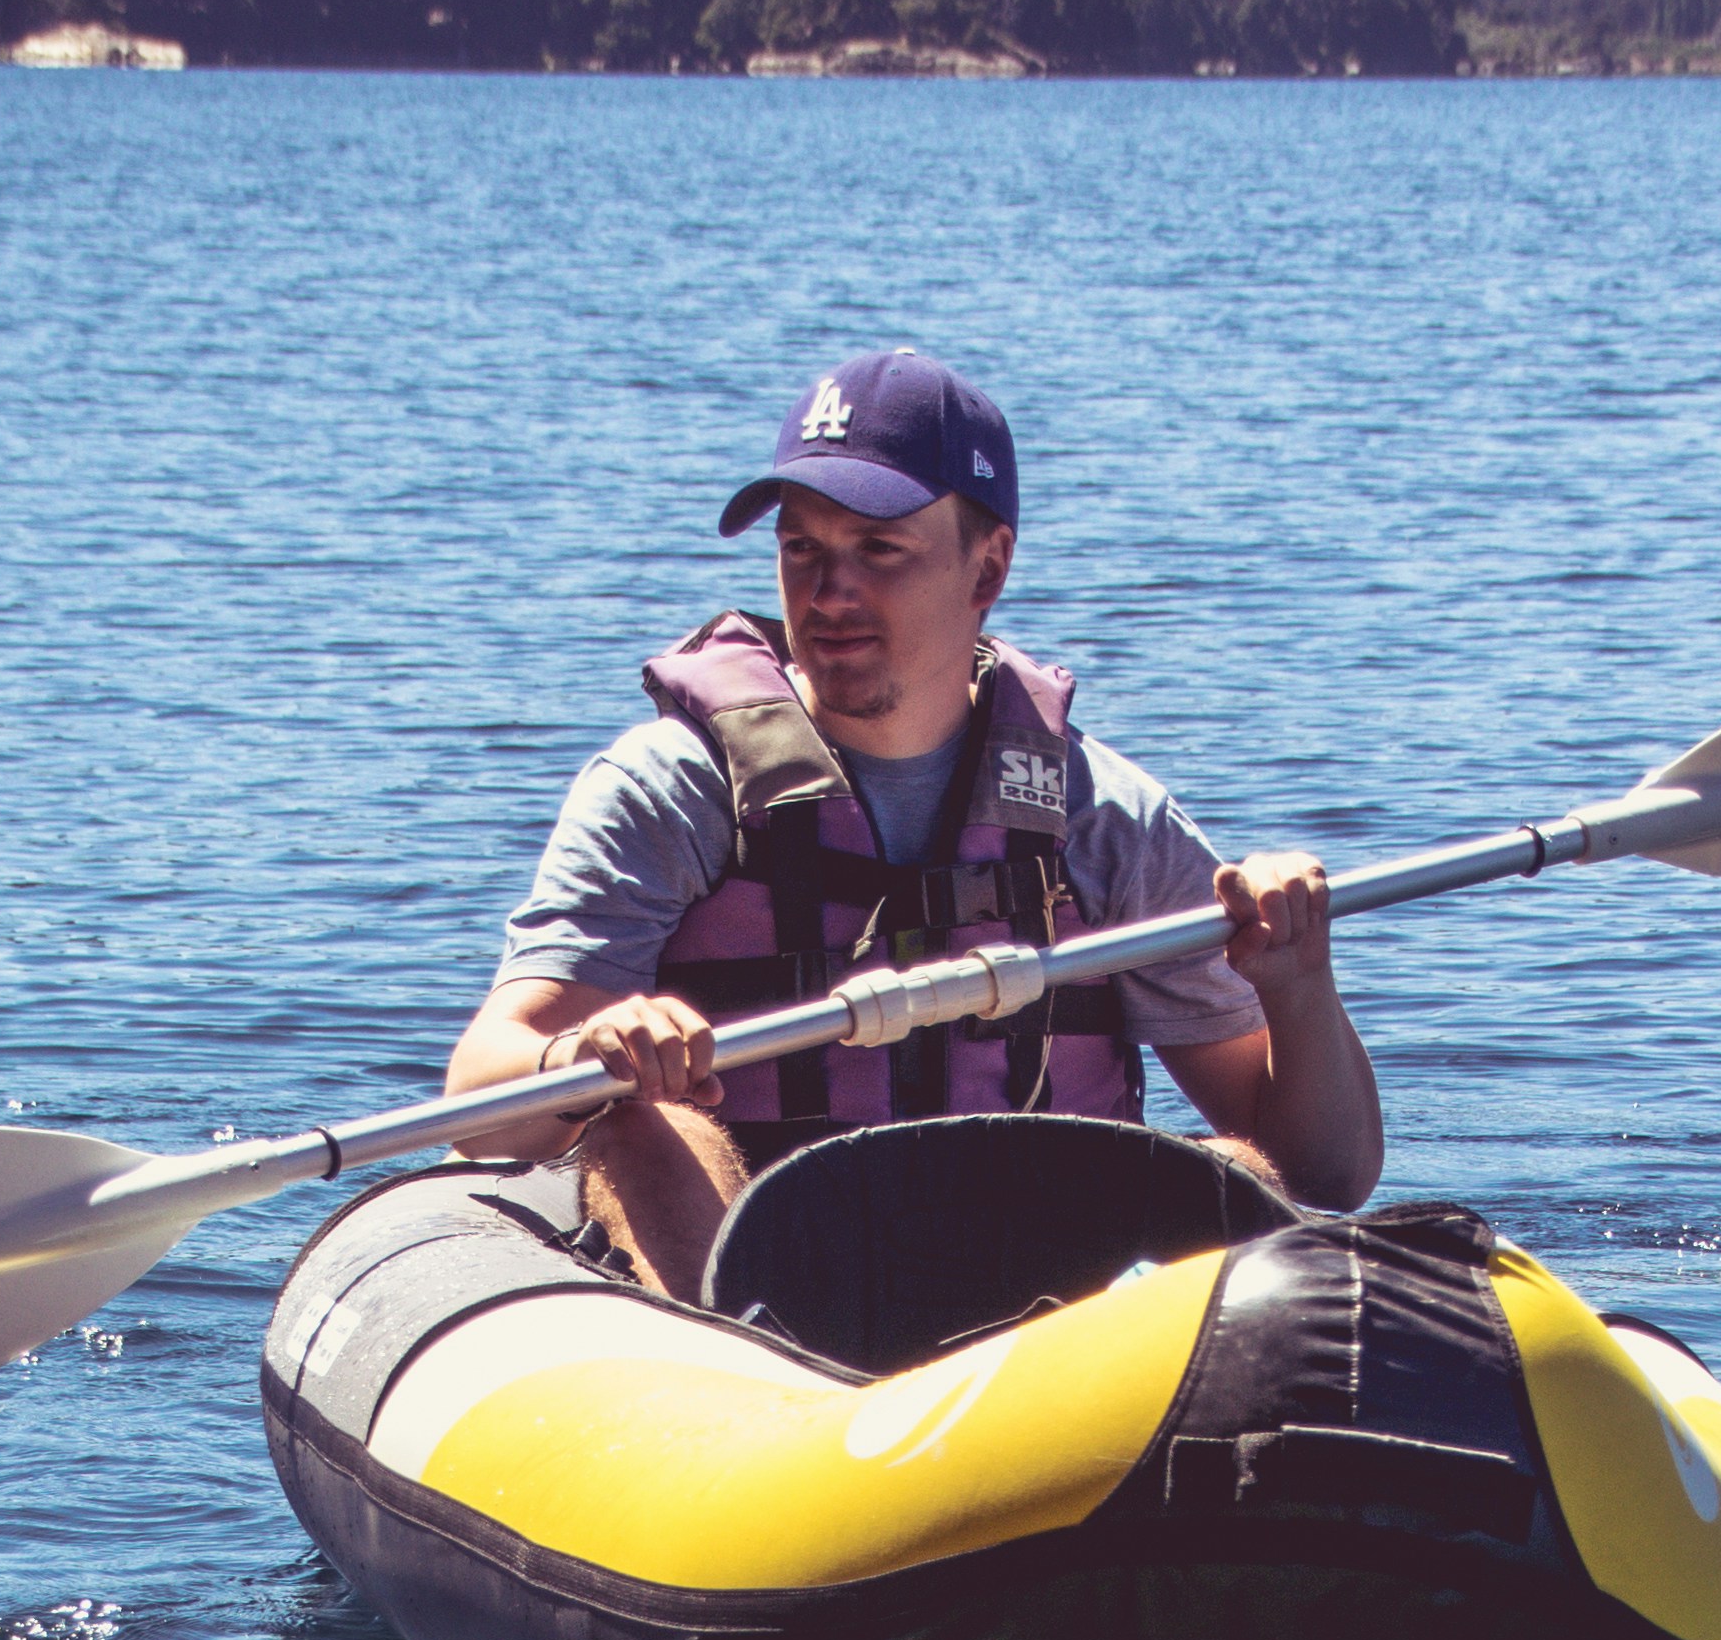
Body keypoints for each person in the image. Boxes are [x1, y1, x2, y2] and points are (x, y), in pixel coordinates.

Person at [442, 348, 1384, 1297]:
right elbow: (481, 1100)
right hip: (762, 1296)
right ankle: (762, 1384)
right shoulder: (669, 789)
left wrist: (1296, 984)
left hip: (1039, 1294)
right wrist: (581, 1053)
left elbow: (1325, 1174)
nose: (828, 591)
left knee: (1232, 1175)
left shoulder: (1100, 819)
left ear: (988, 567)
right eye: (800, 547)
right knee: (651, 1127)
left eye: (878, 548)